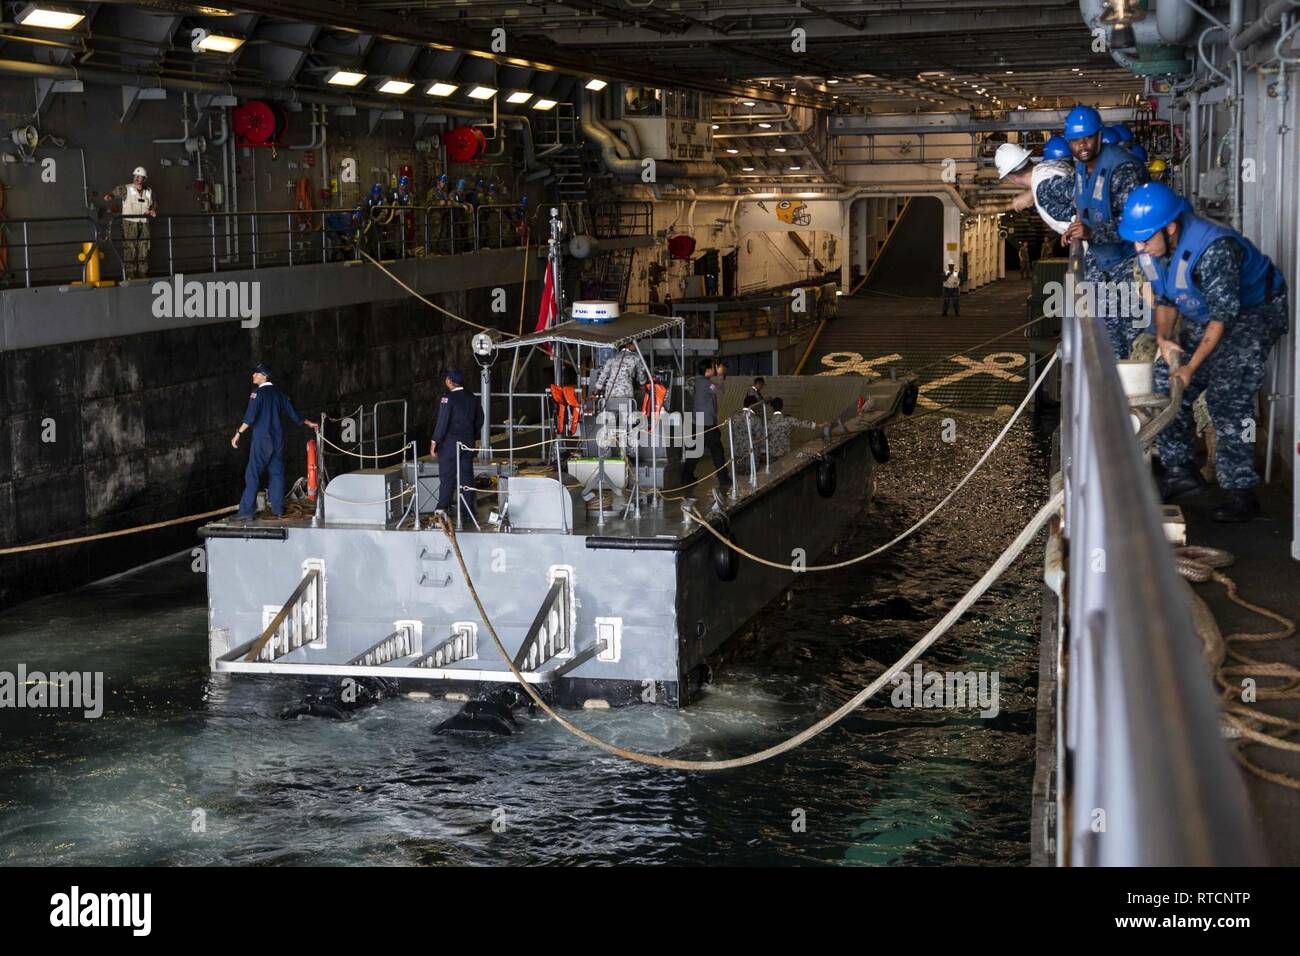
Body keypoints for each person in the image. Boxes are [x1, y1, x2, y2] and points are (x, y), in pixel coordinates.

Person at [1119, 182, 1289, 521]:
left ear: (1170, 227)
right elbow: (1165, 299)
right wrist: (1165, 340)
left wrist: (1191, 367)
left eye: (1145, 238)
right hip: (1207, 314)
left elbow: (1222, 317)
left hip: (1253, 312)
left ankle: (1241, 492)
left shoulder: (1215, 248)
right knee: (1164, 380)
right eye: (1135, 239)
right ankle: (1181, 470)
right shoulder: (1150, 250)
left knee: (1228, 396)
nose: (1139, 247)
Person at [1060, 104, 1150, 359]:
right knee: (1105, 337)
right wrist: (1076, 227)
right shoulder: (1080, 167)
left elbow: (1137, 224)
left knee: (1133, 335)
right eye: (1076, 140)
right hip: (1103, 264)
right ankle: (1115, 388)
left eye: (1088, 137)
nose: (1083, 145)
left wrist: (1091, 233)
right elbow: (1087, 206)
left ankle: (1133, 392)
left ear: (1100, 135)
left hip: (1128, 266)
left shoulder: (1124, 169)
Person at [232, 365, 317, 520]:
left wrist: (238, 433)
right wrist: (308, 423)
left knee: (253, 475)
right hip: (277, 440)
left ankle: (246, 512)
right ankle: (278, 509)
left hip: (262, 440)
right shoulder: (278, 394)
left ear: (264, 376)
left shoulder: (257, 394)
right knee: (277, 473)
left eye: (256, 373)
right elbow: (292, 412)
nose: (253, 375)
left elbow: (250, 418)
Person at [430, 369, 485, 519]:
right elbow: (480, 418)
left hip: (450, 444)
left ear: (449, 381)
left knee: (447, 476)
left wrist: (434, 441)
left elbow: (442, 422)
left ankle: (442, 509)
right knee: (466, 476)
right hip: (467, 443)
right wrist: (471, 434)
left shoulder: (448, 399)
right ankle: (467, 510)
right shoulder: (472, 398)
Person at [996, 142, 1075, 240]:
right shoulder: (1047, 166)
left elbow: (1083, 197)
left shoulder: (1043, 188)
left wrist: (1074, 229)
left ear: (1012, 178)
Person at [680, 359, 730, 491]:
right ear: (708, 370)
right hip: (706, 424)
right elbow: (720, 391)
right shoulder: (705, 383)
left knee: (695, 452)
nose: (715, 369)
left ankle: (686, 477)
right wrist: (720, 375)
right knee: (717, 451)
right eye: (714, 367)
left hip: (699, 422)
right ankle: (723, 478)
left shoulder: (701, 381)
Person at [103, 166, 156, 279]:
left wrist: (152, 210)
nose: (137, 178)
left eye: (139, 177)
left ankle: (143, 273)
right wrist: (109, 196)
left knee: (144, 248)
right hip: (129, 223)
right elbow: (115, 193)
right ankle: (130, 274)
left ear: (144, 179)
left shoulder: (149, 191)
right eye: (135, 176)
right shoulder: (126, 189)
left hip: (144, 223)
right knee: (130, 248)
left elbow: (153, 203)